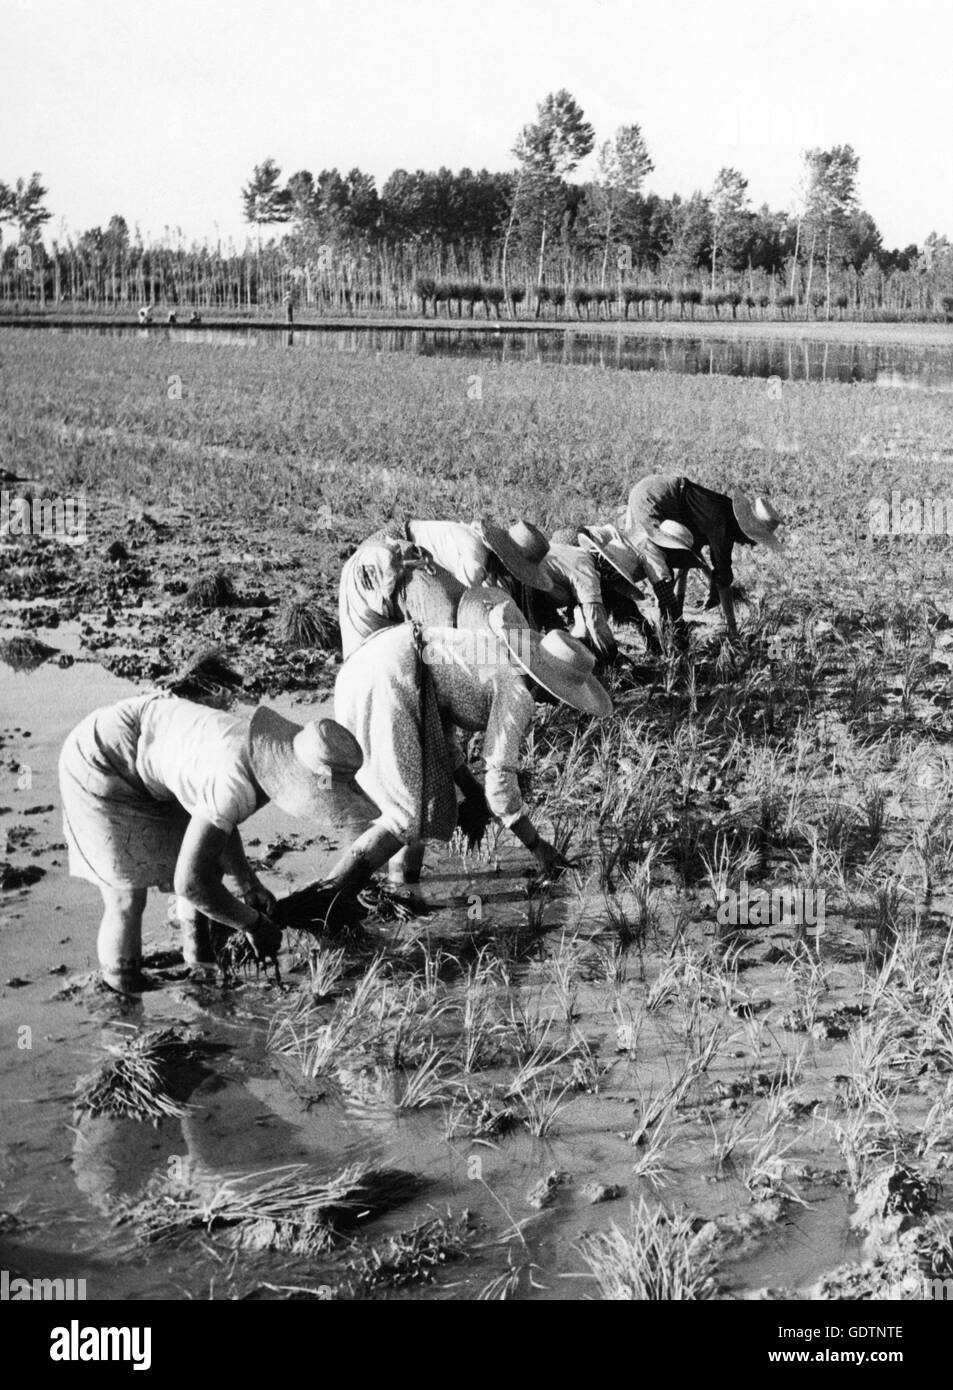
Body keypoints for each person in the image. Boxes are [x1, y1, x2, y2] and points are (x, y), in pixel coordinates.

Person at [58, 693, 377, 994]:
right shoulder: (232, 779)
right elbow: (191, 883)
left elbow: (219, 821)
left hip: (149, 745)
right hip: (101, 760)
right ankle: (124, 1010)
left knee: (204, 861)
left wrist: (247, 883)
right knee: (126, 899)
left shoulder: (260, 757)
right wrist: (251, 924)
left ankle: (199, 966)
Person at [329, 603, 611, 890]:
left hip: (374, 660)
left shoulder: (494, 653)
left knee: (418, 805)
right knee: (407, 814)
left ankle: (403, 889)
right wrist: (538, 846)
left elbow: (440, 717)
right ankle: (331, 894)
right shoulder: (517, 693)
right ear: (554, 688)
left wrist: (471, 789)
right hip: (393, 676)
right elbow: (499, 780)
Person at [625, 473, 784, 639]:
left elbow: (690, 556)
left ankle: (675, 616)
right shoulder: (723, 528)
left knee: (678, 552)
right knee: (661, 569)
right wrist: (733, 629)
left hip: (656, 488)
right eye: (756, 538)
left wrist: (710, 582)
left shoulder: (723, 511)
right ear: (748, 530)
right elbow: (723, 579)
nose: (753, 544)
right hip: (653, 499)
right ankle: (668, 628)